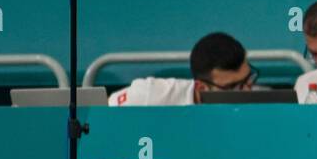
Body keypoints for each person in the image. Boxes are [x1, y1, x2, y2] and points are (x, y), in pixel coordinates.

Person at [108, 31, 256, 106]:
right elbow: (100, 113)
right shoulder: (152, 94)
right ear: (202, 87)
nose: (247, 92)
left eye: (248, 79)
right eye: (234, 87)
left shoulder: (260, 104)